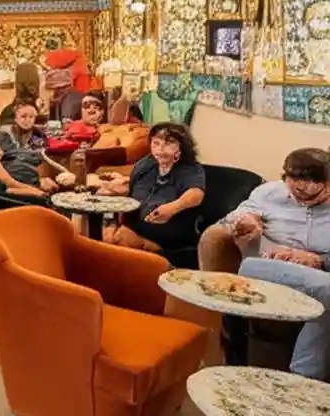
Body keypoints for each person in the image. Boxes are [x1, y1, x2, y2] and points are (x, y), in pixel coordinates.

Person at [215, 148, 330, 380]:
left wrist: (318, 260)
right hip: (265, 268)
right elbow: (236, 217)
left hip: (319, 274)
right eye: (296, 187)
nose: (304, 195)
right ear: (285, 178)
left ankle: (299, 380)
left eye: (315, 191)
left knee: (326, 292)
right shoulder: (268, 193)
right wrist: (246, 222)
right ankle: (304, 379)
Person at [100, 122, 205, 252]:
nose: (161, 149)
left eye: (168, 143)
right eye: (156, 143)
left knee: (122, 238)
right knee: (108, 236)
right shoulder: (145, 165)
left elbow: (196, 194)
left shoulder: (190, 168)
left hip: (171, 228)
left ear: (181, 147)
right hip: (138, 222)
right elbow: (131, 192)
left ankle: (157, 254)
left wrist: (172, 208)